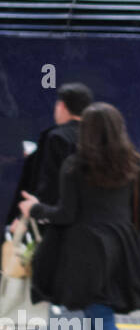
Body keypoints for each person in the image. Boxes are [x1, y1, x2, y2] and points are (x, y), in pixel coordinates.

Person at [17, 102, 140, 330]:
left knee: (98, 313)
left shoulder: (75, 166)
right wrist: (130, 241)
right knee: (97, 312)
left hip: (87, 248)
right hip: (121, 243)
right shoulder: (132, 164)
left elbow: (65, 214)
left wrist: (34, 209)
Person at [6, 83, 93, 237]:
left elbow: (48, 183)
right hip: (87, 220)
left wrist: (28, 214)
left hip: (55, 219)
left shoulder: (56, 137)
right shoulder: (94, 136)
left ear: (62, 106)